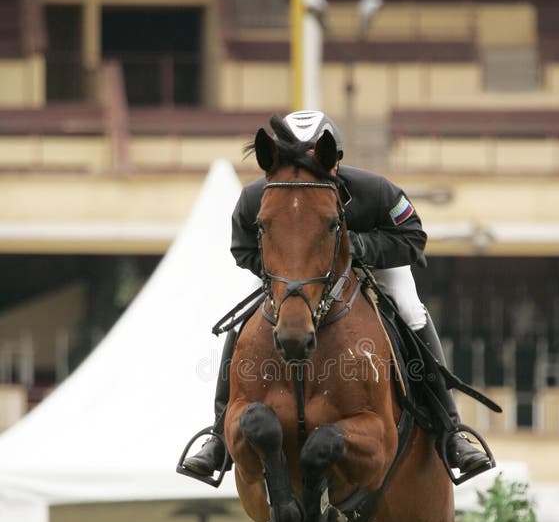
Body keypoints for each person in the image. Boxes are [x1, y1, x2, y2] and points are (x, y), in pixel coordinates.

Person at [182, 110, 492, 483]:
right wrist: (290, 271)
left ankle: (451, 431)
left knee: (410, 310)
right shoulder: (254, 199)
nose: (300, 175)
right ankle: (218, 436)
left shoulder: (376, 191)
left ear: (335, 160)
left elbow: (413, 240)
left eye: (313, 163)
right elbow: (242, 249)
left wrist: (354, 248)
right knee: (244, 318)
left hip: (372, 262)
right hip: (293, 273)